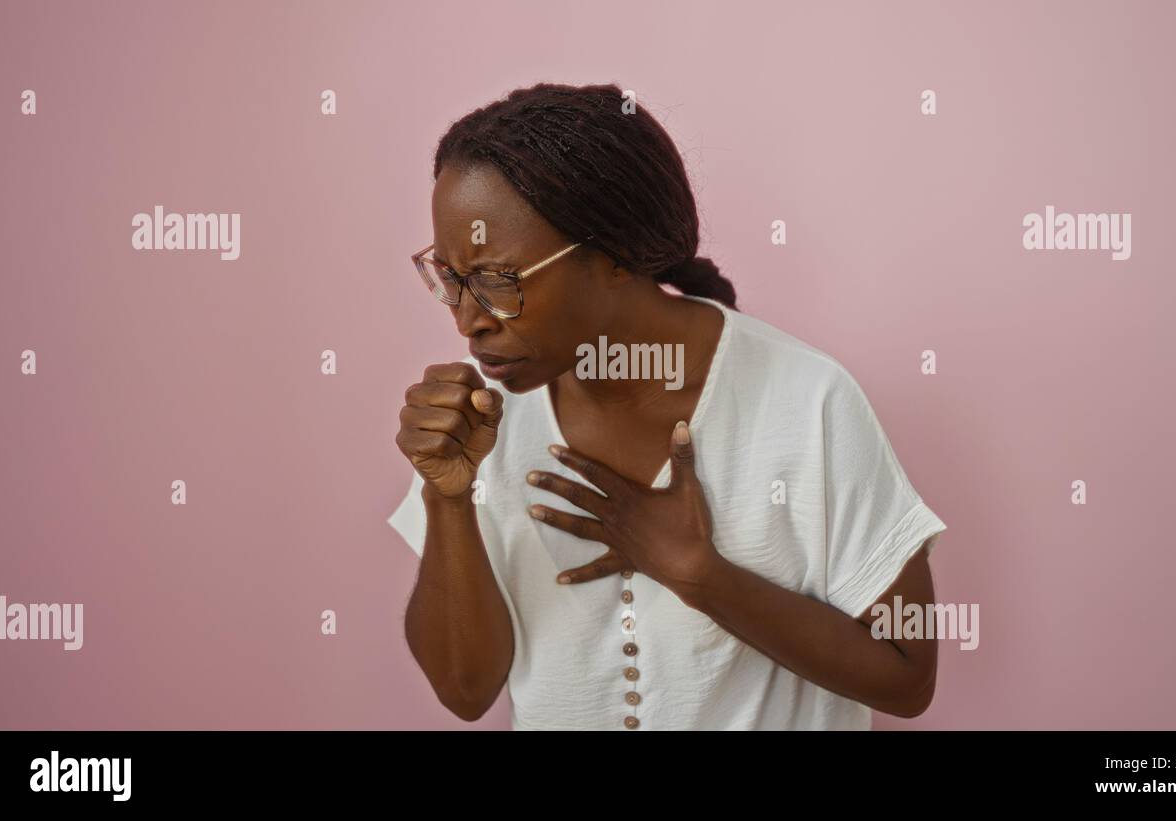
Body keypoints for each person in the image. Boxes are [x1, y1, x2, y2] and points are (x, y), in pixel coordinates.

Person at [389, 82, 948, 730]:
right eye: (451, 278)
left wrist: (702, 576)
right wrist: (447, 497)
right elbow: (464, 689)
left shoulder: (808, 401)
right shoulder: (474, 425)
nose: (466, 320)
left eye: (494, 280)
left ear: (613, 255)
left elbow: (907, 675)